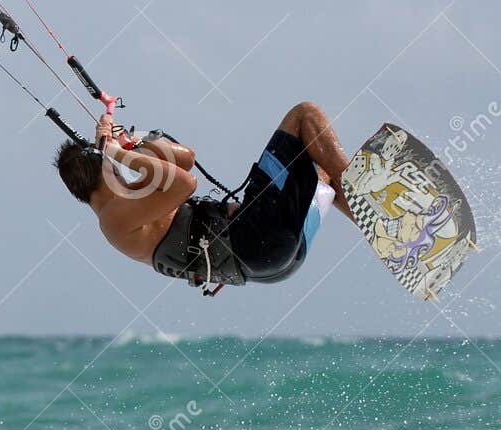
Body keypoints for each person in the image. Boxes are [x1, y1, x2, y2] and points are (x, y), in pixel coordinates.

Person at [53, 101, 358, 290]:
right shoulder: (113, 219)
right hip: (254, 241)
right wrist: (116, 152)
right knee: (304, 115)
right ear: (103, 166)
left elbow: (185, 159)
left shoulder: (132, 198)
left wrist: (130, 142)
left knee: (318, 165)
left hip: (275, 260)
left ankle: (367, 215)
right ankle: (364, 195)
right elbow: (185, 184)